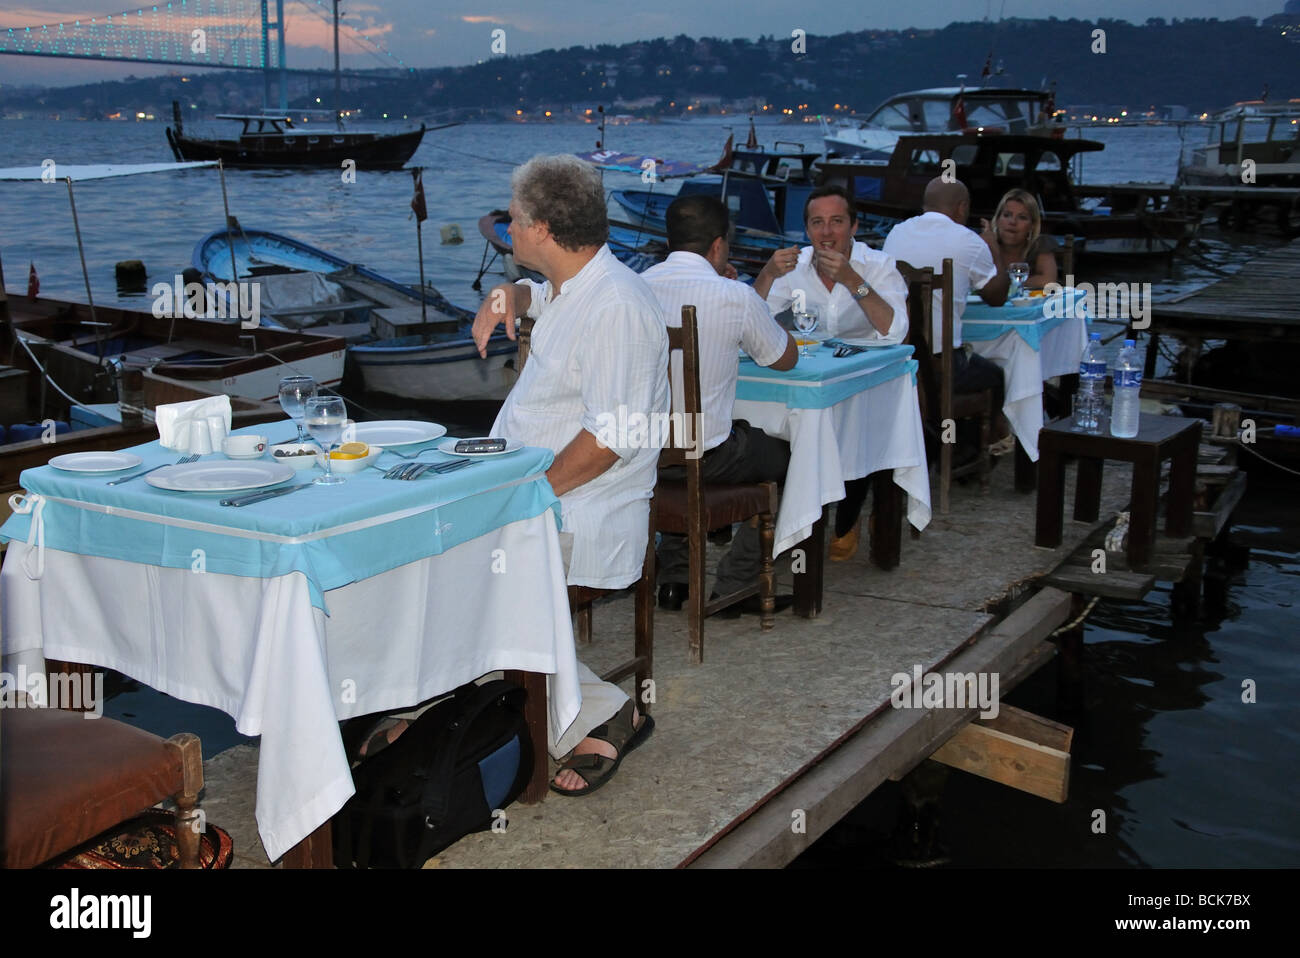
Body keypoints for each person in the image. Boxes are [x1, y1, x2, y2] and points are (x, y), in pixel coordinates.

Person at [468, 154, 667, 795]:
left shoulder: (619, 307)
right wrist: (509, 291)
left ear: (545, 229)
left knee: (464, 574)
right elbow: (541, 296)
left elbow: (611, 440)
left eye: (515, 219)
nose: (509, 228)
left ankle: (593, 712)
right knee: (425, 552)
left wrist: (524, 497)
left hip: (584, 502)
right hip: (534, 489)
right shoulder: (570, 287)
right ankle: (485, 709)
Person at [640, 194, 798, 613]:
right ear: (718, 245)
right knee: (794, 456)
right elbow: (784, 358)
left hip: (639, 451)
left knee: (677, 448)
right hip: (708, 456)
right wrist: (737, 292)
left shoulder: (634, 288)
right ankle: (735, 583)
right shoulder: (732, 295)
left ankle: (674, 580)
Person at [754, 184, 909, 345]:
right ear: (807, 231)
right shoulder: (794, 265)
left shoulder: (879, 265)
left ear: (853, 227)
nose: (826, 231)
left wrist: (853, 281)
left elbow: (896, 332)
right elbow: (751, 317)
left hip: (866, 366)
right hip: (814, 363)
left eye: (836, 221)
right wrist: (767, 274)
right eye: (817, 222)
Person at [981, 188, 1058, 289]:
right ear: (997, 220)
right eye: (1007, 215)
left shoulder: (1040, 244)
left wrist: (1009, 286)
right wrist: (991, 246)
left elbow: (1048, 280)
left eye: (1022, 217)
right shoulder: (984, 244)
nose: (1013, 222)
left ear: (1032, 225)